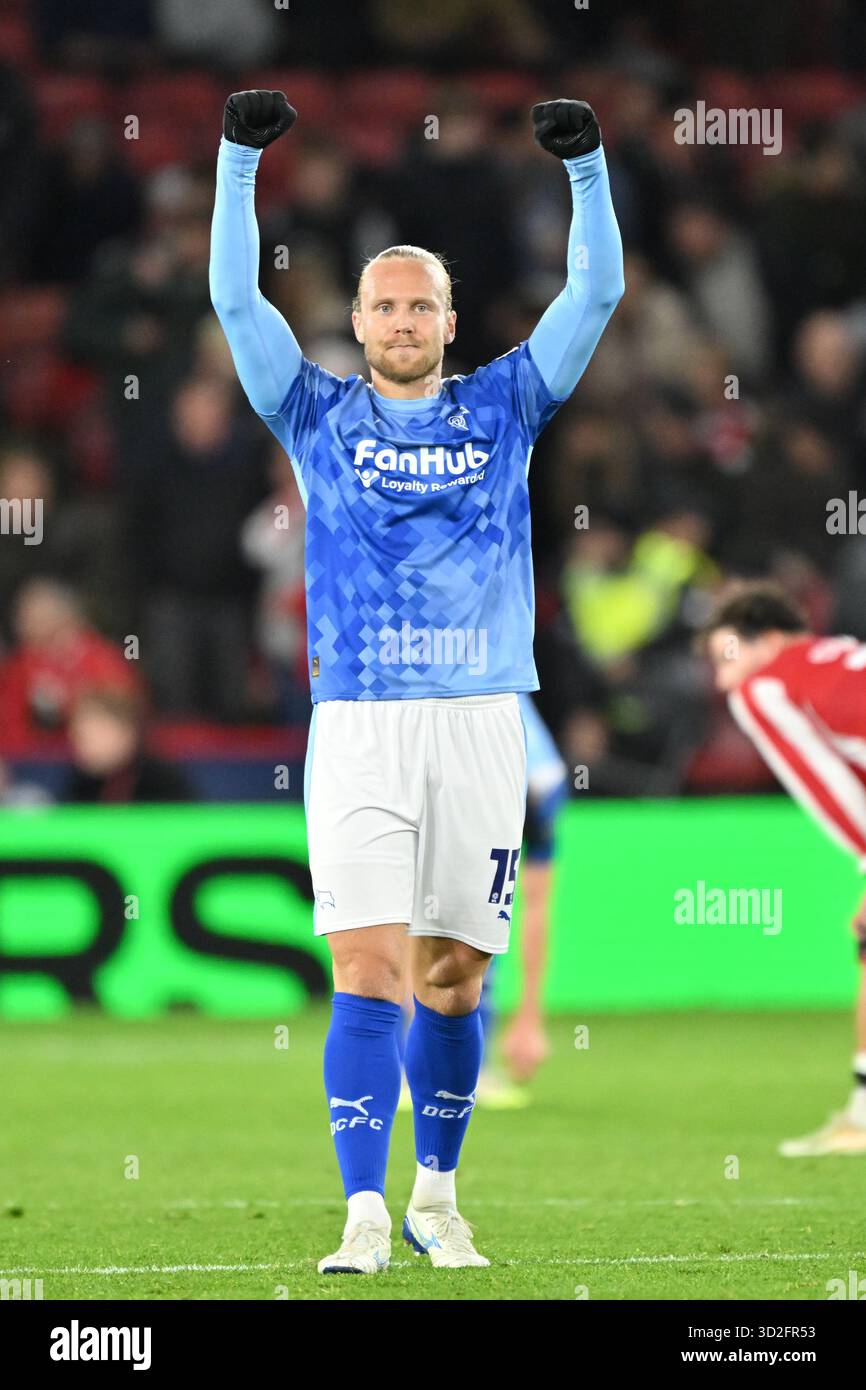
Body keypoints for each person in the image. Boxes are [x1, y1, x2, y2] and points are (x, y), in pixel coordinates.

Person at [210, 90, 623, 1272]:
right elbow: (235, 299)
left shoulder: (507, 403)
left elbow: (594, 293)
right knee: (366, 969)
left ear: (448, 320)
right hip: (358, 724)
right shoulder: (312, 411)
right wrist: (237, 162)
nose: (400, 319)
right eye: (383, 303)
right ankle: (360, 1211)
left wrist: (586, 170)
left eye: (420, 303)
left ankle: (435, 1197)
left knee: (453, 976)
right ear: (355, 320)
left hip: (483, 722)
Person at [702, 581, 866, 1157]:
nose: (722, 679)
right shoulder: (838, 654)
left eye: (727, 656)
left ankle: (863, 1119)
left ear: (769, 640)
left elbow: (830, 789)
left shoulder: (764, 688)